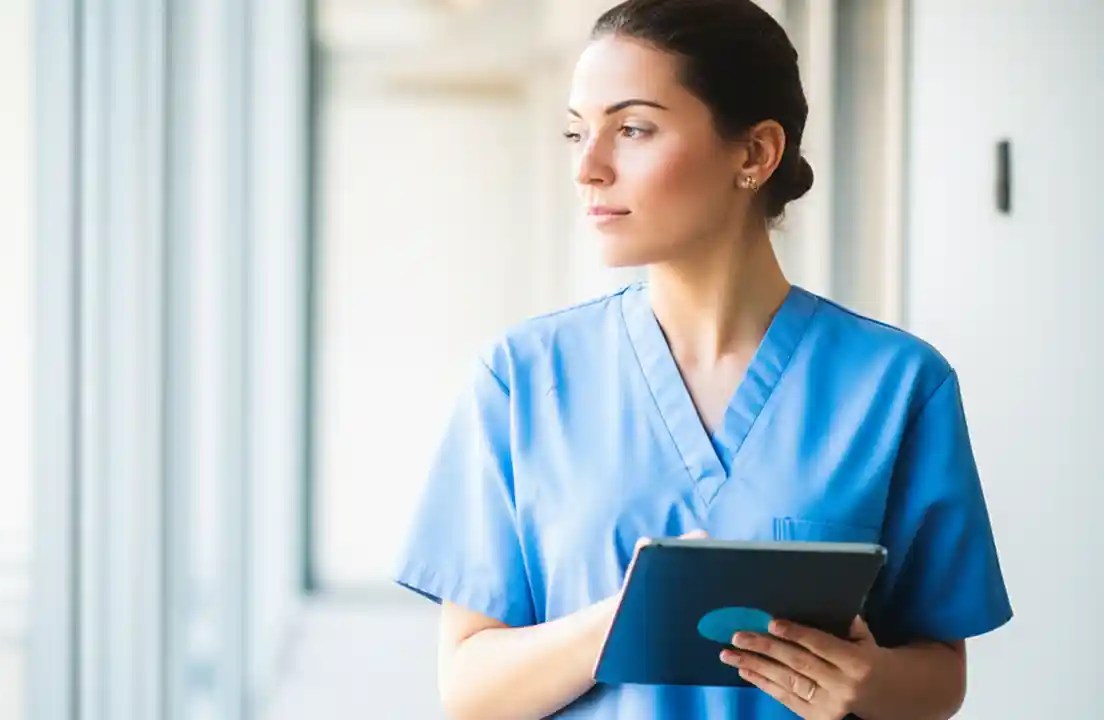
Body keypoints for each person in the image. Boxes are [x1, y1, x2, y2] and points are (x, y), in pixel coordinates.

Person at [391, 0, 1013, 717]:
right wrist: (629, 617)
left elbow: (940, 677)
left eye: (631, 129)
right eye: (575, 132)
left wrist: (864, 684)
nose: (588, 168)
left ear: (754, 154)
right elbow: (468, 690)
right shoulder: (522, 380)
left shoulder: (898, 386)